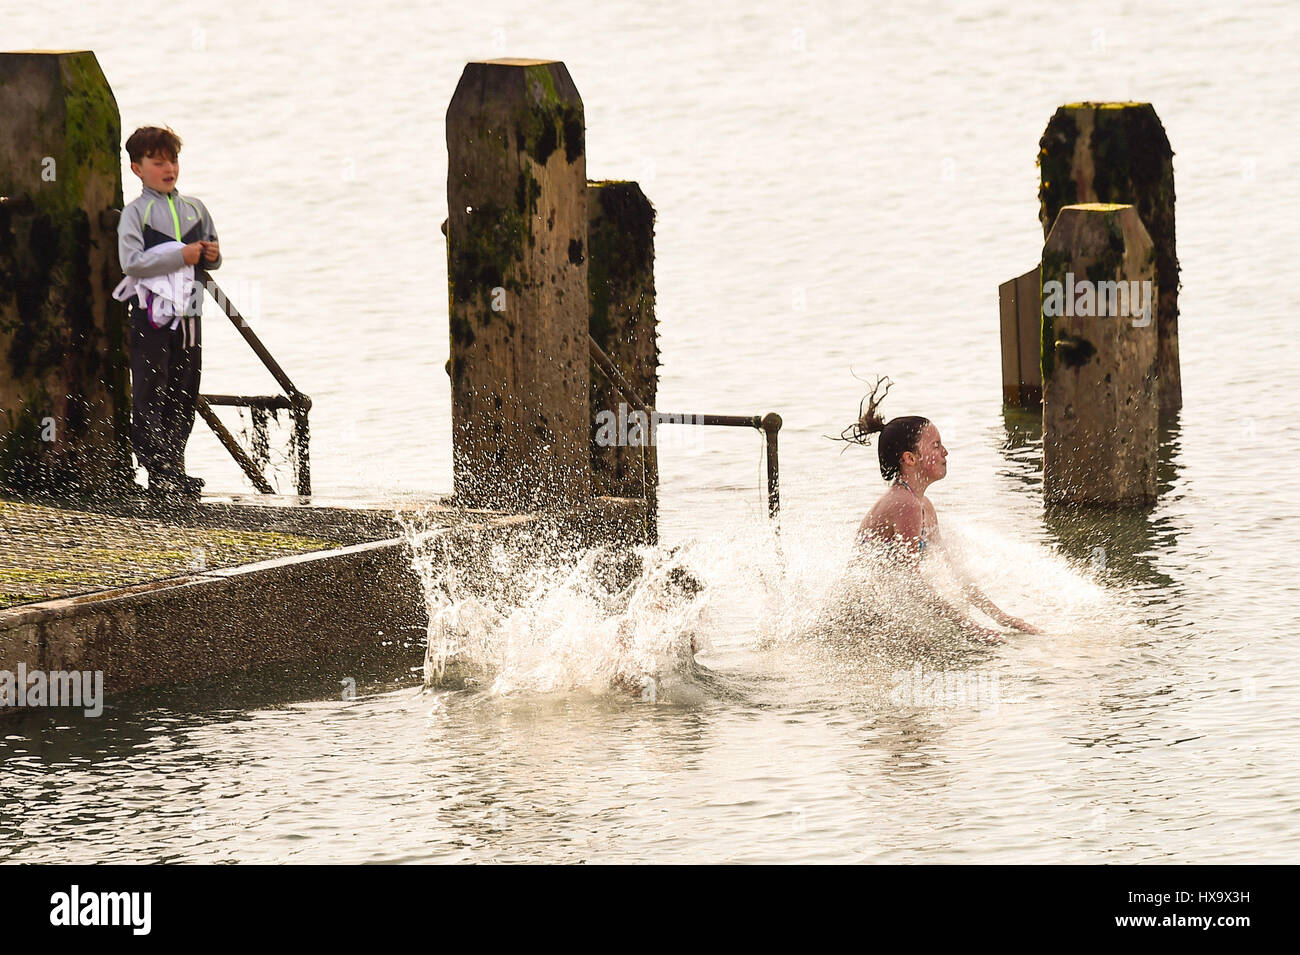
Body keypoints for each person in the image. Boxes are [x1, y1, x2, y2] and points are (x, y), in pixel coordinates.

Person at [843, 378, 1042, 643]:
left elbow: (954, 573)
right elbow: (910, 583)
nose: (945, 452)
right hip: (857, 622)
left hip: (880, 619)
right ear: (909, 459)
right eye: (935, 446)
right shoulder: (905, 503)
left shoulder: (923, 505)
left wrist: (1003, 618)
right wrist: (971, 629)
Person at [116, 126, 220, 498]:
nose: (168, 168)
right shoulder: (136, 213)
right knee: (151, 383)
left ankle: (175, 463)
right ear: (137, 168)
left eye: (172, 160)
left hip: (191, 308)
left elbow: (215, 257)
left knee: (185, 384)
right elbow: (131, 263)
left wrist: (211, 254)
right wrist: (182, 254)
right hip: (151, 311)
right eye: (157, 162)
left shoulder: (195, 208)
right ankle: (155, 466)